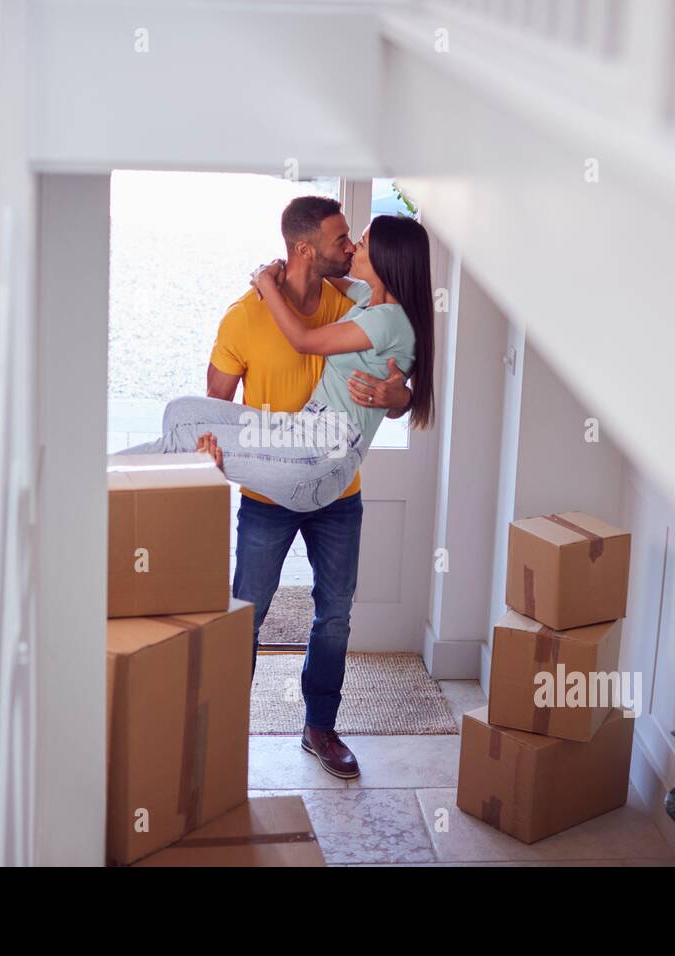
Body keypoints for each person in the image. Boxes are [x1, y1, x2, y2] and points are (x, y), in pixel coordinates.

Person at [121, 196, 435, 777]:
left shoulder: (354, 302)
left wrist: (404, 396)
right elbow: (217, 408)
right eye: (343, 239)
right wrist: (211, 456)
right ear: (303, 248)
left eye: (357, 240)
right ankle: (219, 731)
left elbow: (391, 375)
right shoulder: (245, 317)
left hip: (331, 486)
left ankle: (320, 728)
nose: (350, 248)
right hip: (272, 487)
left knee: (333, 614)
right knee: (248, 612)